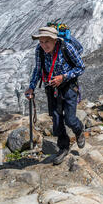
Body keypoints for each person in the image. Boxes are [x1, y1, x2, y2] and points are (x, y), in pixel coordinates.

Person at [25, 26, 85, 165]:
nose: (44, 45)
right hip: (52, 89)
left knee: (70, 119)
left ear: (54, 40)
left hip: (68, 86)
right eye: (41, 41)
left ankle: (79, 129)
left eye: (47, 41)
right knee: (57, 123)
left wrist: (63, 77)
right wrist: (31, 87)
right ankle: (63, 148)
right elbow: (38, 69)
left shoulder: (66, 47)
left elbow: (80, 67)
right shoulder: (39, 51)